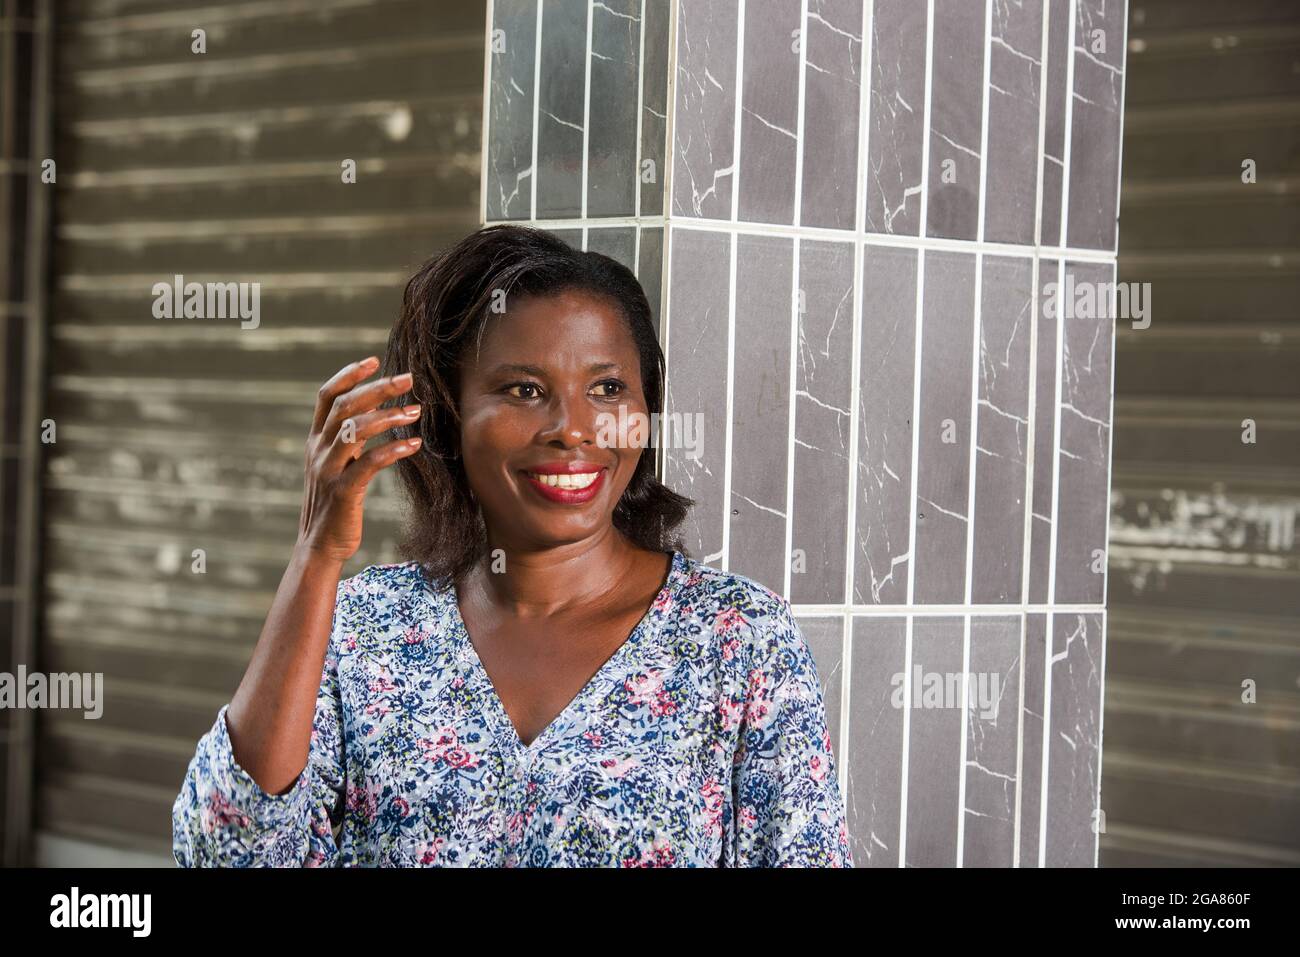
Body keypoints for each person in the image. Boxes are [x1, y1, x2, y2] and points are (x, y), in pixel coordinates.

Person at [170, 224, 853, 867]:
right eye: (524, 389)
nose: (573, 429)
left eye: (607, 387)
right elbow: (230, 849)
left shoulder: (738, 638)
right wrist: (314, 557)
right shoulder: (364, 628)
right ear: (449, 415)